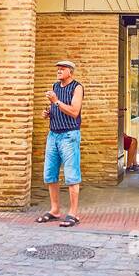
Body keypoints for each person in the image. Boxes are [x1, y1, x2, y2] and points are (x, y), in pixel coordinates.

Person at [36, 60, 83, 227]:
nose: (58, 72)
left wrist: (56, 102)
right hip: (53, 135)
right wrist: (48, 113)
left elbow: (74, 111)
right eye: (57, 69)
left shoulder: (77, 87)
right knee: (50, 174)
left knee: (71, 175)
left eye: (62, 69)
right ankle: (55, 210)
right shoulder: (55, 87)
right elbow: (58, 108)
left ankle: (73, 213)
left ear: (70, 72)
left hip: (69, 135)